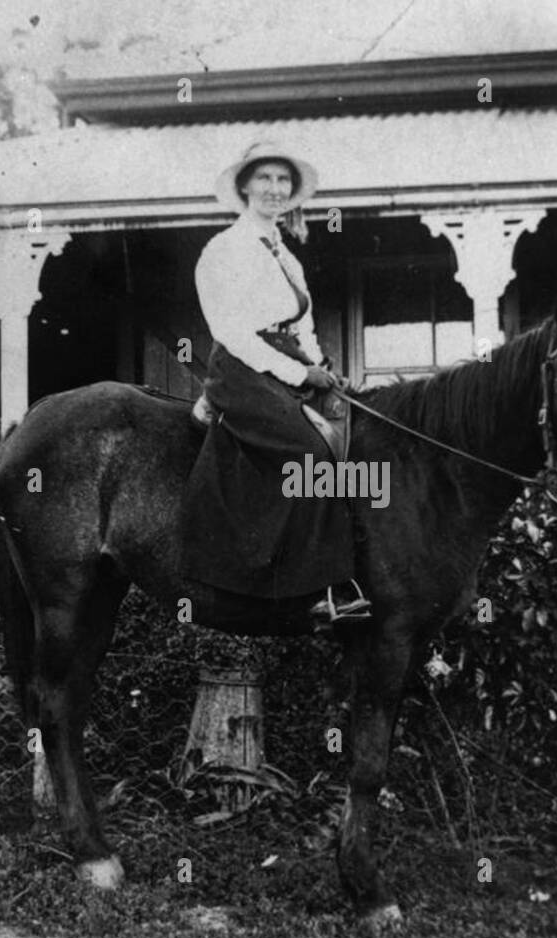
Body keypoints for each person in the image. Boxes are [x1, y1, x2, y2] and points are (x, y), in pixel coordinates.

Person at [178, 142, 370, 625]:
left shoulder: (286, 254)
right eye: (264, 179)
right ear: (244, 186)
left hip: (288, 362)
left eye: (282, 181)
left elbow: (301, 326)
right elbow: (231, 332)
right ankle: (312, 588)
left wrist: (322, 368)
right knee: (310, 453)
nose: (274, 189)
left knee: (353, 434)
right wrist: (298, 373)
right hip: (242, 369)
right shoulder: (223, 249)